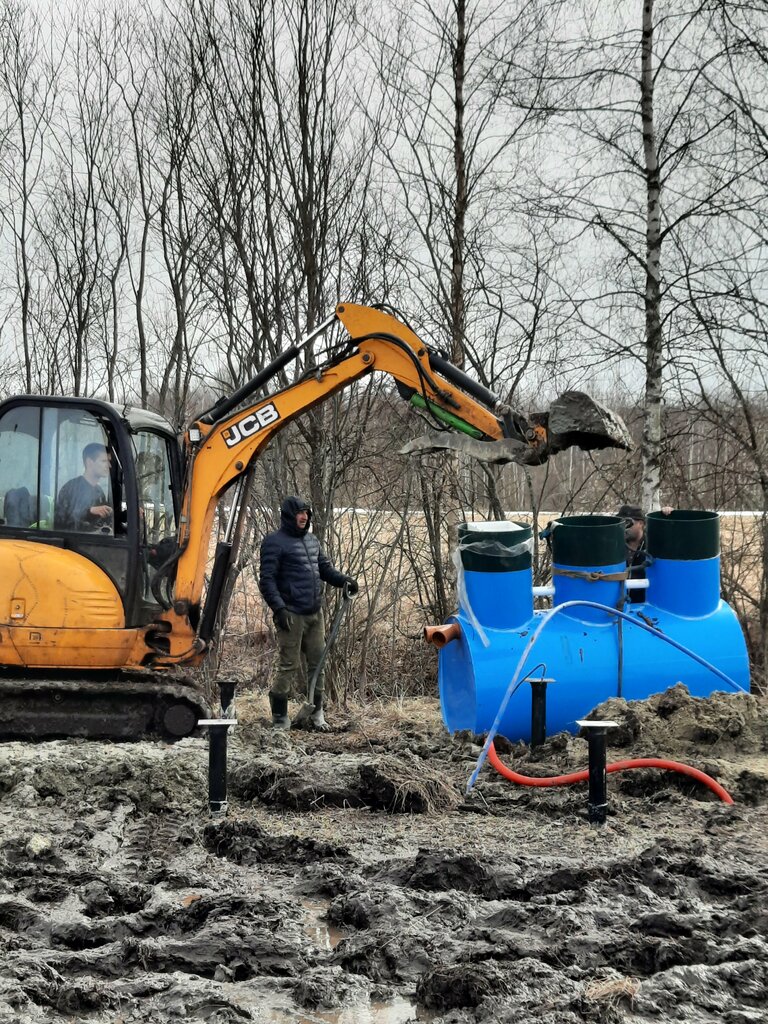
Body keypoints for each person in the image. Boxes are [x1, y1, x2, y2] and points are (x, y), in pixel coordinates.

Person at [259, 496, 358, 731]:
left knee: (318, 663)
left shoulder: (312, 541)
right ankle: (280, 718)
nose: (304, 517)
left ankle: (316, 714)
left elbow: (324, 569)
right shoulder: (274, 542)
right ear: (289, 515)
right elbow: (267, 580)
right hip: (291, 614)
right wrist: (279, 608)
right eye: (299, 513)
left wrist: (344, 580)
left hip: (314, 613)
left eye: (306, 513)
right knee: (289, 665)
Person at [617, 503, 673, 602]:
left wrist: (667, 516)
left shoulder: (653, 546)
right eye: (621, 523)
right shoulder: (615, 546)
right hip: (619, 604)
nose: (624, 528)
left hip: (645, 604)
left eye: (628, 523)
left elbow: (671, 540)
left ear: (641, 524)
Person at [54, 443, 113, 532]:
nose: (109, 465)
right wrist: (89, 512)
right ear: (89, 462)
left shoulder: (99, 492)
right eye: (104, 461)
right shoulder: (71, 488)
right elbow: (62, 522)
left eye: (109, 461)